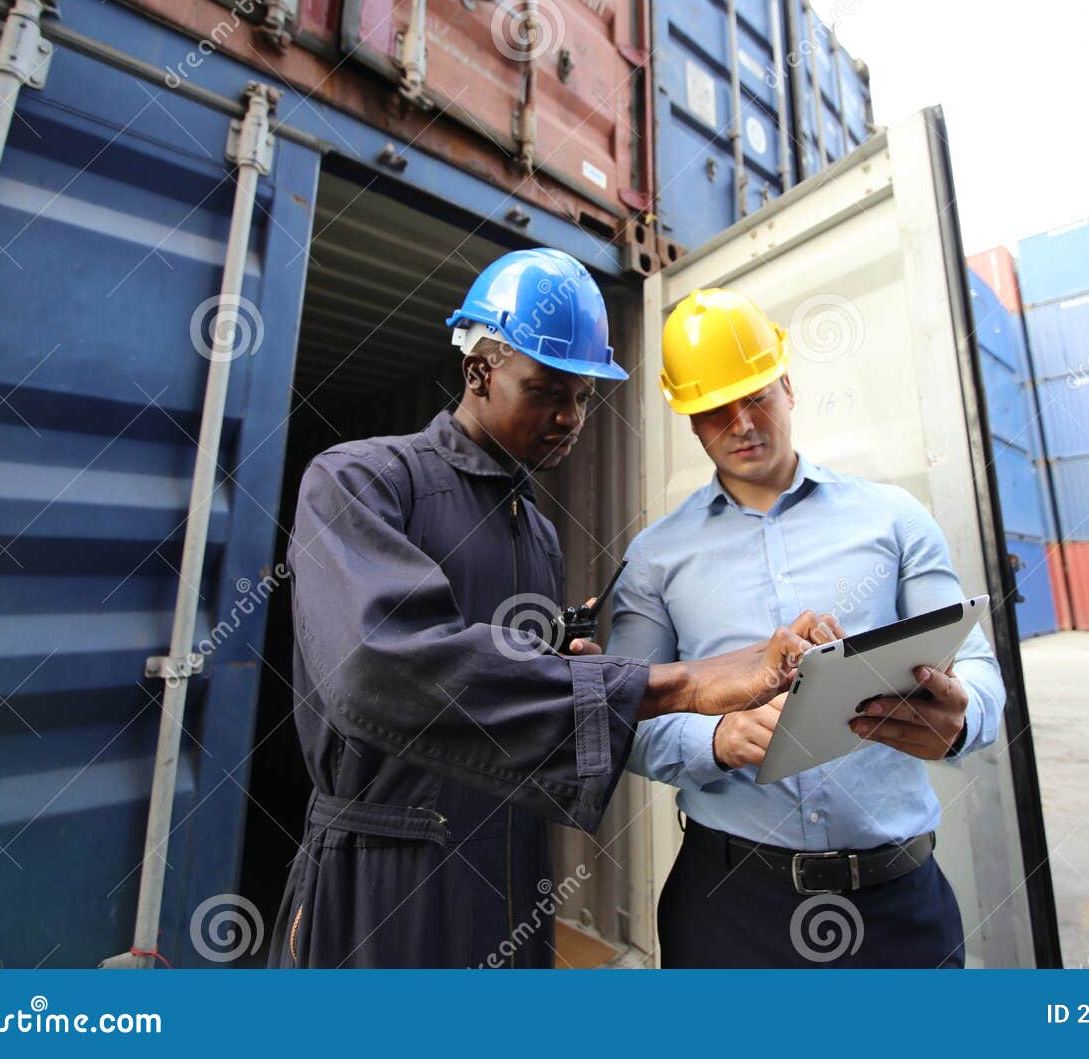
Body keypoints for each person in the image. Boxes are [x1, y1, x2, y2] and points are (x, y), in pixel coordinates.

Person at [269, 252, 836, 968]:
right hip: (385, 884)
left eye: (583, 395)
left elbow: (505, 697)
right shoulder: (362, 480)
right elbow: (379, 667)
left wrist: (564, 669)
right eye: (545, 391)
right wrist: (678, 684)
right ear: (480, 372)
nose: (569, 417)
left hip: (511, 871)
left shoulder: (533, 527)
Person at [607, 288, 1007, 969]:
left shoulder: (893, 518)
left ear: (788, 384)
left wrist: (963, 716)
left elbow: (974, 663)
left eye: (757, 395)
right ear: (690, 420)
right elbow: (623, 713)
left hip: (899, 909)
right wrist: (717, 737)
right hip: (730, 912)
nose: (741, 422)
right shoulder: (654, 558)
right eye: (714, 409)